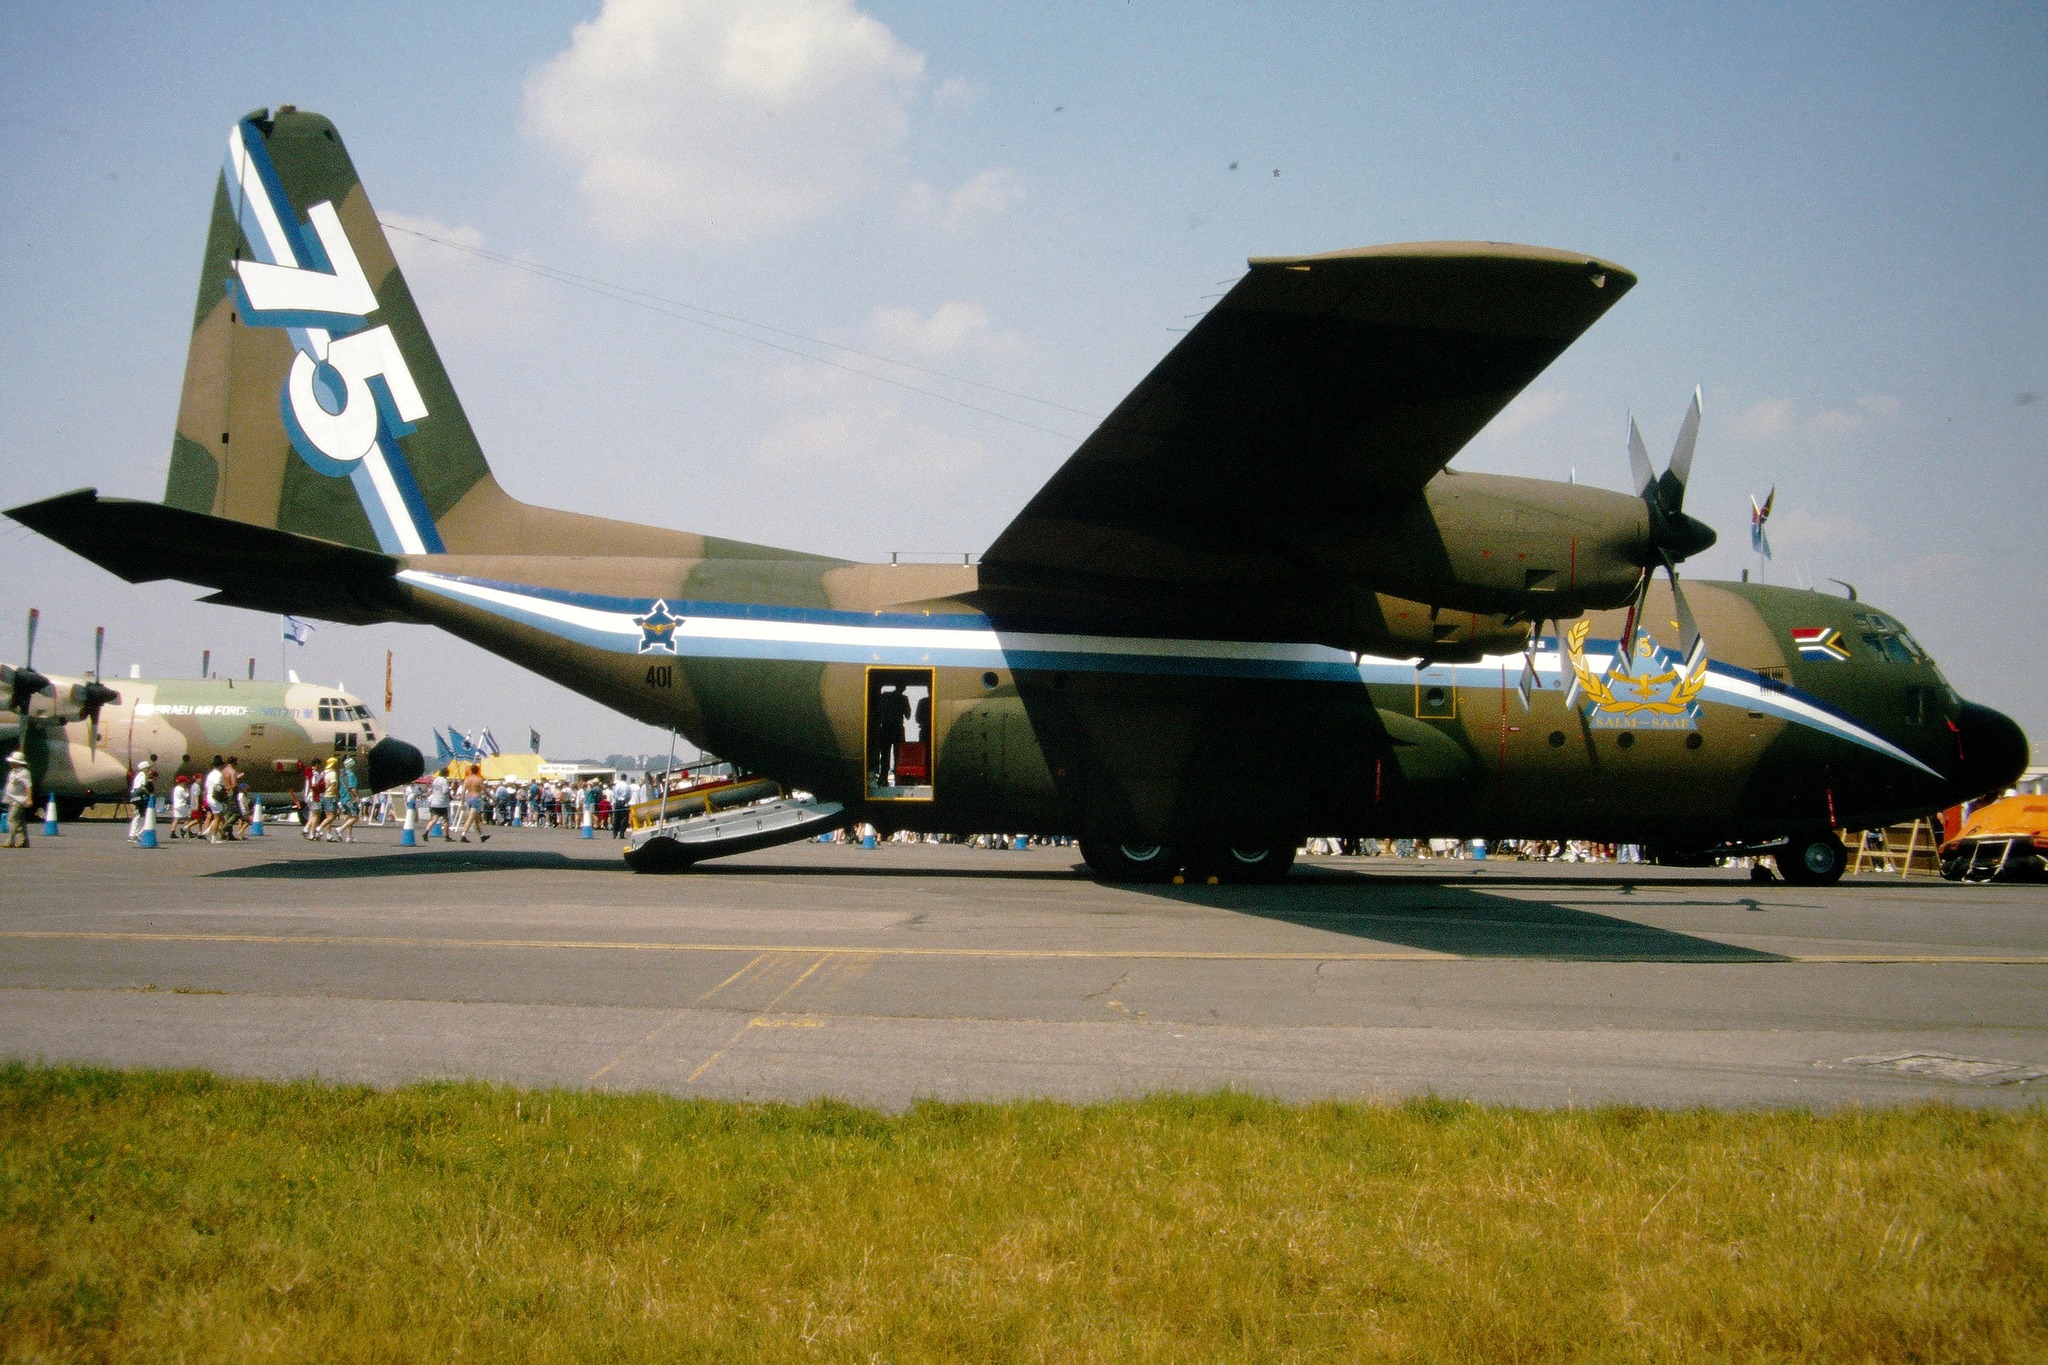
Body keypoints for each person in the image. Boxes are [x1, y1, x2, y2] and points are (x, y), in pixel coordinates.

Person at [4, 752, 33, 848]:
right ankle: (23, 841)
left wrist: (29, 799)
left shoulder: (24, 773)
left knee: (11, 819)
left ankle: (10, 841)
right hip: (12, 799)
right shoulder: (13, 772)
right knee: (20, 821)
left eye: (12, 762)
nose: (10, 764)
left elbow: (28, 786)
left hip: (19, 800)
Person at [127, 754, 158, 842]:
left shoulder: (139, 775)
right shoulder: (143, 775)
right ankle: (135, 834)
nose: (148, 770)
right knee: (140, 816)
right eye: (147, 768)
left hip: (134, 796)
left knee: (137, 816)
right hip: (139, 797)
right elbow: (143, 787)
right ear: (144, 768)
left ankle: (132, 834)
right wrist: (149, 795)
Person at [334, 755, 361, 843]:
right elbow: (352, 787)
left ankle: (349, 836)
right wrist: (357, 796)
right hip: (350, 798)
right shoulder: (351, 774)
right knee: (355, 817)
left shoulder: (342, 774)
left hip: (343, 797)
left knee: (349, 817)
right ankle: (340, 829)